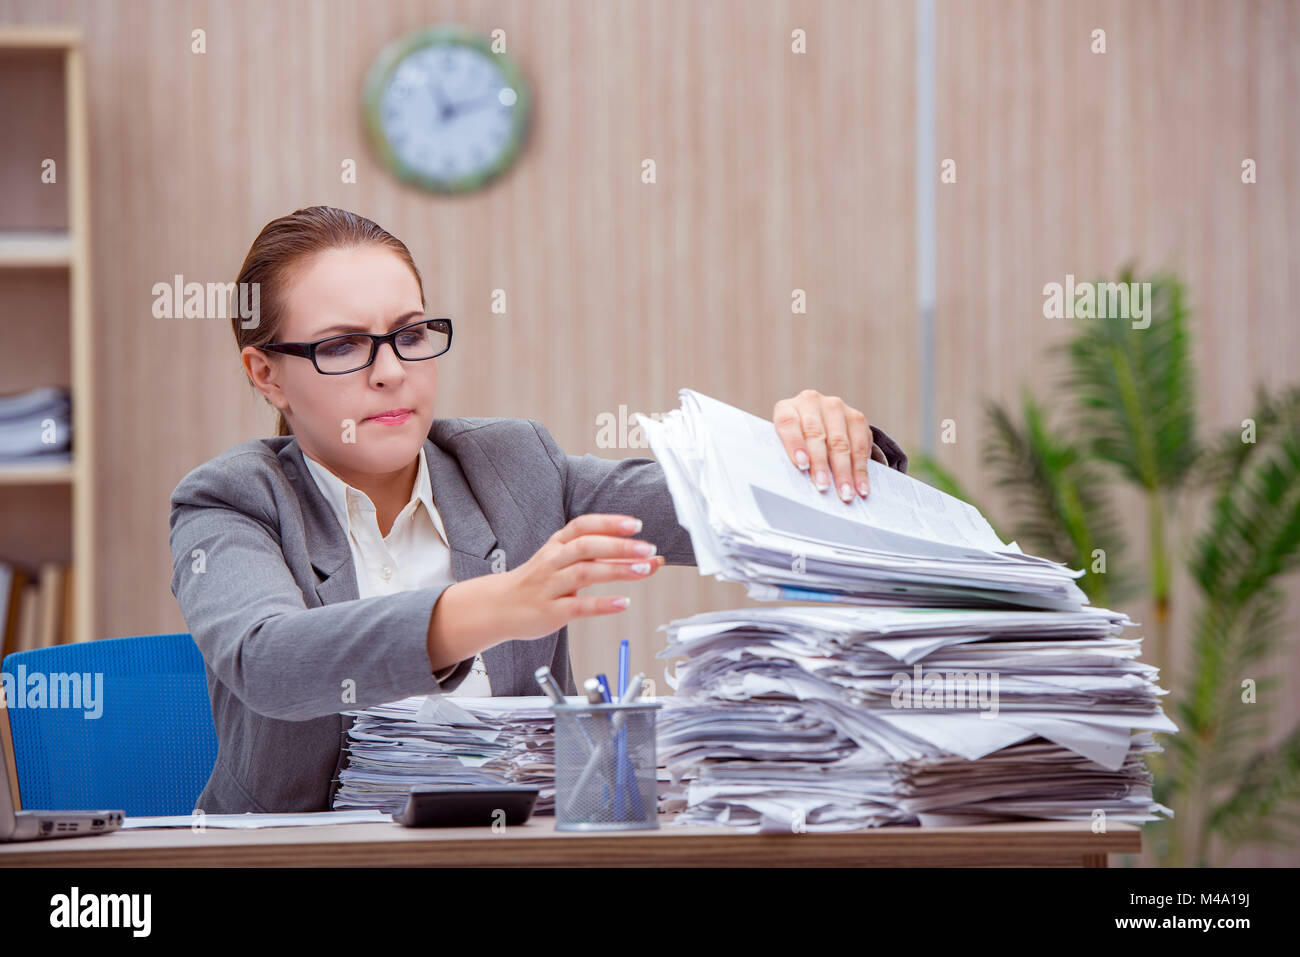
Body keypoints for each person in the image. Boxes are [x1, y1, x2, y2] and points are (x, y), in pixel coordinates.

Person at [168, 205, 910, 813]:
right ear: (266, 374)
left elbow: (713, 509)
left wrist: (820, 454)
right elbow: (270, 661)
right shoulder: (231, 501)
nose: (392, 371)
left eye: (411, 334)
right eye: (344, 346)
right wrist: (495, 605)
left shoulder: (514, 466)